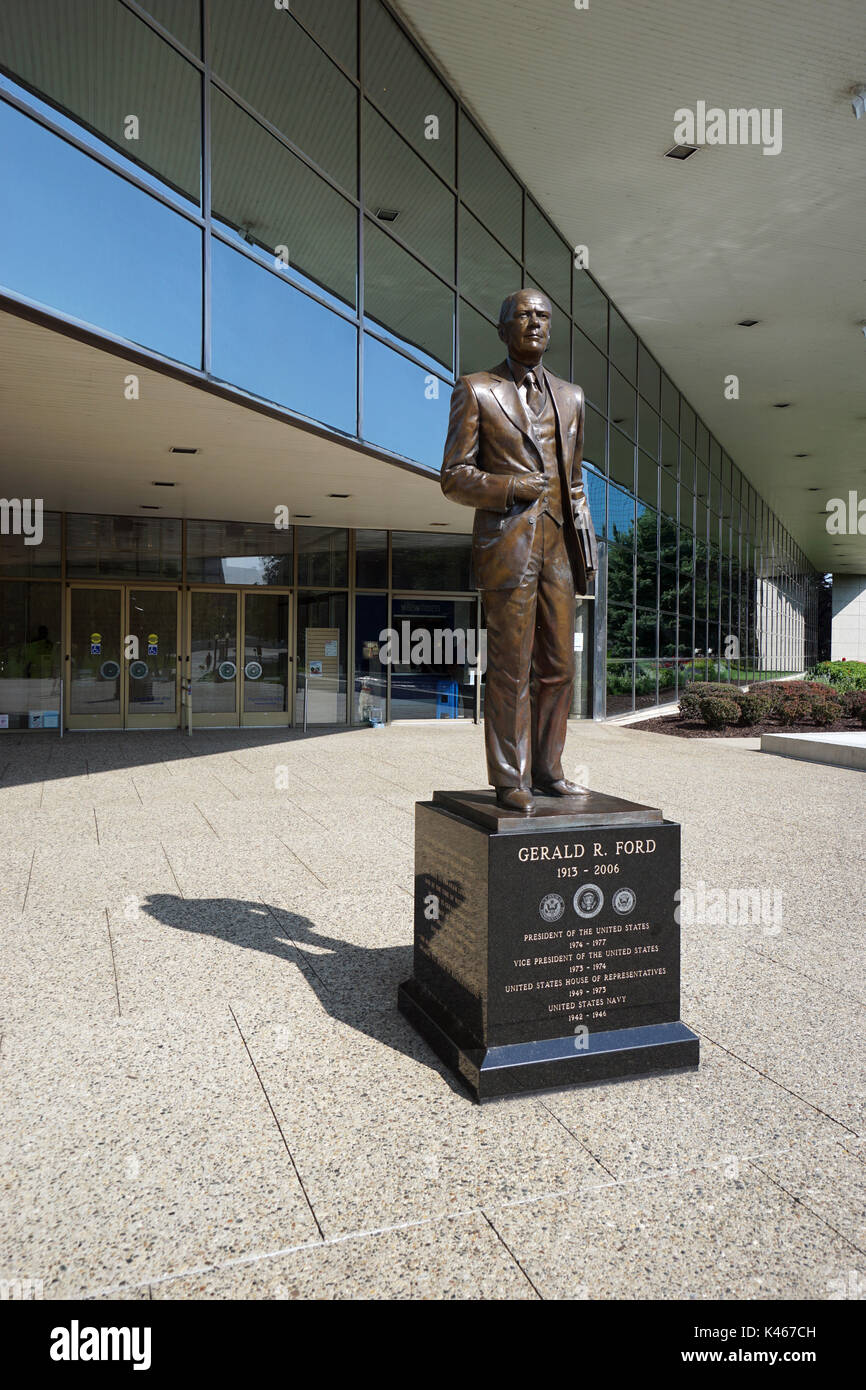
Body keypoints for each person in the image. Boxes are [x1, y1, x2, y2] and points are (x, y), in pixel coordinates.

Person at [440, 288, 597, 813]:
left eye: (544, 316)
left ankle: (549, 769)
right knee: (510, 668)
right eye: (525, 315)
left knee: (559, 669)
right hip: (508, 547)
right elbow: (454, 478)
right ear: (504, 327)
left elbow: (574, 485)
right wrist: (510, 488)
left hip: (559, 550)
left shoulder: (572, 397)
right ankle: (510, 777)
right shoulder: (477, 389)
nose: (536, 323)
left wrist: (586, 552)